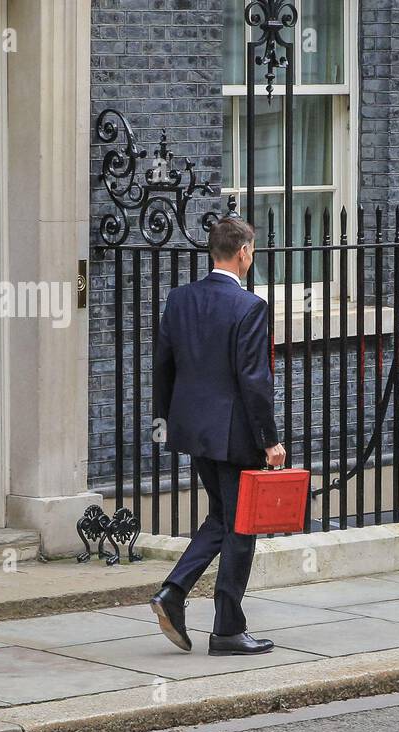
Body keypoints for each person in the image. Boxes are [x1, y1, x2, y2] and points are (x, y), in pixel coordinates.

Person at [148, 218, 286, 654]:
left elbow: (163, 366)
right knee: (241, 525)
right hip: (234, 435)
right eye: (253, 251)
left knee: (222, 518)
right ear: (244, 252)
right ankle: (227, 629)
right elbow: (254, 380)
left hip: (194, 430)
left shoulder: (180, 299)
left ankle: (173, 590)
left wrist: (168, 421)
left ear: (213, 253)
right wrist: (270, 439)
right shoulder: (249, 306)